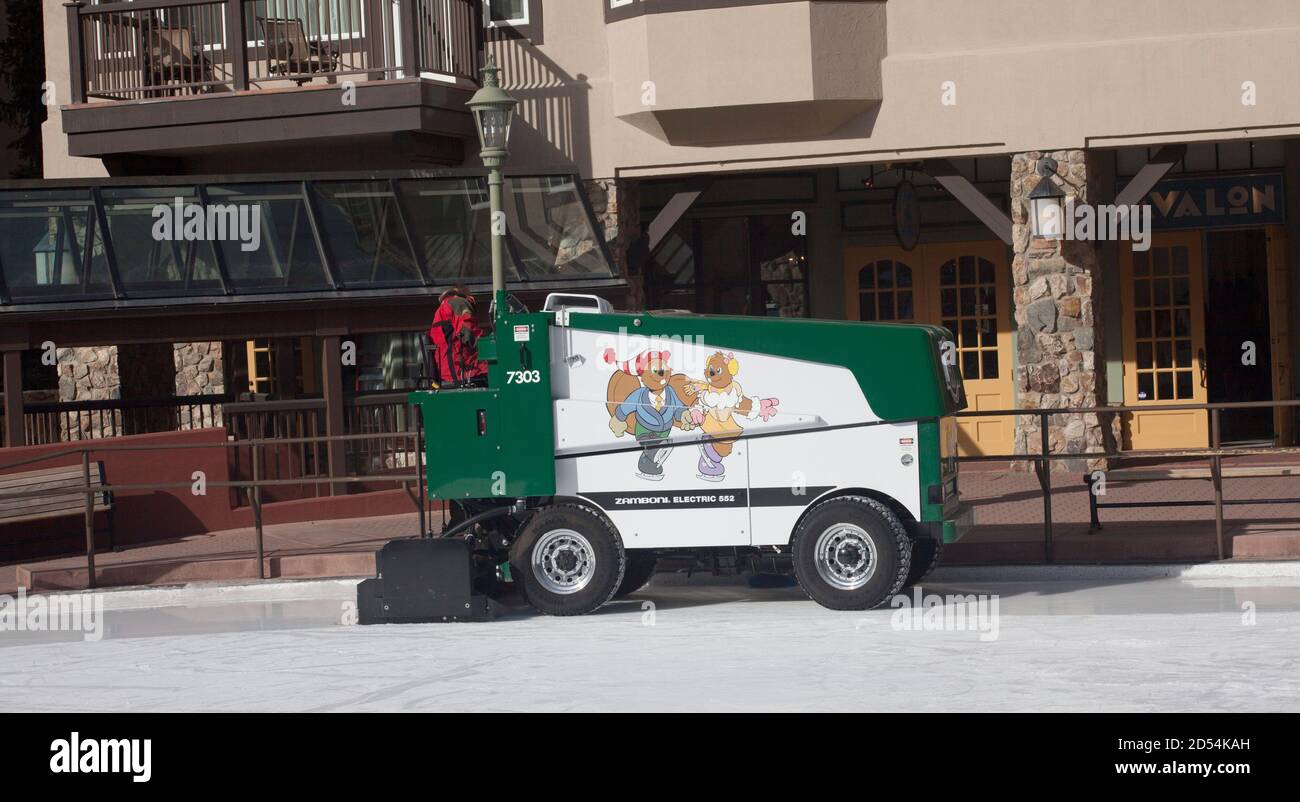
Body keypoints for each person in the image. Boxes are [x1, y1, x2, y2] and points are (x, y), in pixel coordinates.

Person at [429, 287, 488, 387]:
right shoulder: (458, 302)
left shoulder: (440, 310)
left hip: (448, 374)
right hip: (467, 371)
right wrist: (491, 346)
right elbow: (469, 332)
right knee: (503, 371)